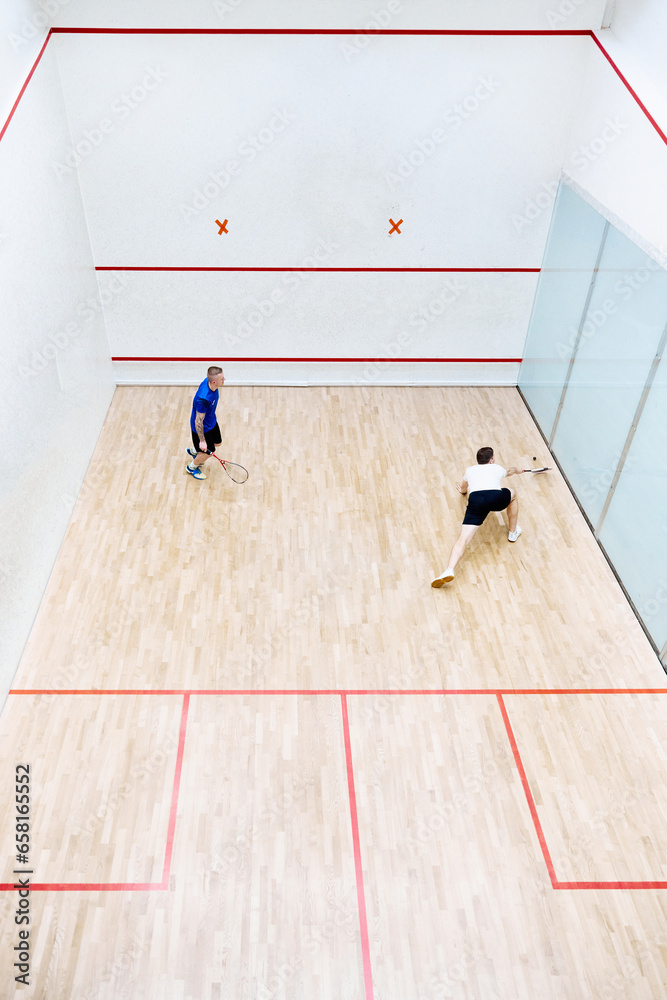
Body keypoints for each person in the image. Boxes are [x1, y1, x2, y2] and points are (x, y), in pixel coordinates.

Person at [431, 446, 524, 587]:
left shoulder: (470, 471)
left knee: (463, 538)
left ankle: (448, 570)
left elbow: (463, 488)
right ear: (491, 460)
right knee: (513, 493)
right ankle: (513, 532)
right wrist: (517, 470)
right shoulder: (497, 468)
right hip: (495, 498)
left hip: (476, 500)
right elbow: (510, 471)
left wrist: (462, 491)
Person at [186, 366, 226, 480]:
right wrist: (202, 441)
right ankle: (192, 467)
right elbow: (198, 421)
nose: (224, 380)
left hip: (211, 421)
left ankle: (195, 451)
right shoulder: (203, 399)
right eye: (222, 378)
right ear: (214, 382)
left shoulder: (208, 382)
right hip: (201, 427)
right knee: (208, 452)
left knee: (217, 443)